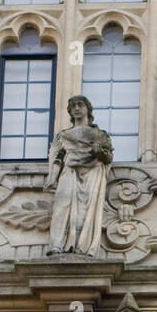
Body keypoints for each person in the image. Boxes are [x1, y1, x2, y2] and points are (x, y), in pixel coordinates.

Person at [45, 95, 113, 254]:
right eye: (73, 106)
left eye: (80, 105)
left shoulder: (99, 134)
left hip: (93, 172)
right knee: (61, 206)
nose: (76, 108)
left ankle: (81, 246)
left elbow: (108, 157)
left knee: (85, 212)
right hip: (69, 171)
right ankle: (57, 245)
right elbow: (57, 158)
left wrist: (98, 152)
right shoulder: (63, 135)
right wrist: (52, 178)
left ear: (87, 109)